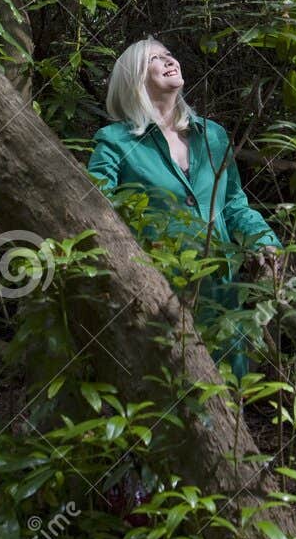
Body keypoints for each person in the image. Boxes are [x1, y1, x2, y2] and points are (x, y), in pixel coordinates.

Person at [87, 37, 282, 378]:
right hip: (157, 292)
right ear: (133, 78)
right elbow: (95, 209)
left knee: (227, 392)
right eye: (154, 59)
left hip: (221, 291)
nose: (168, 60)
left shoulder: (213, 135)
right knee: (169, 390)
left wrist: (264, 241)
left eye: (169, 54)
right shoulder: (115, 141)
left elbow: (234, 205)